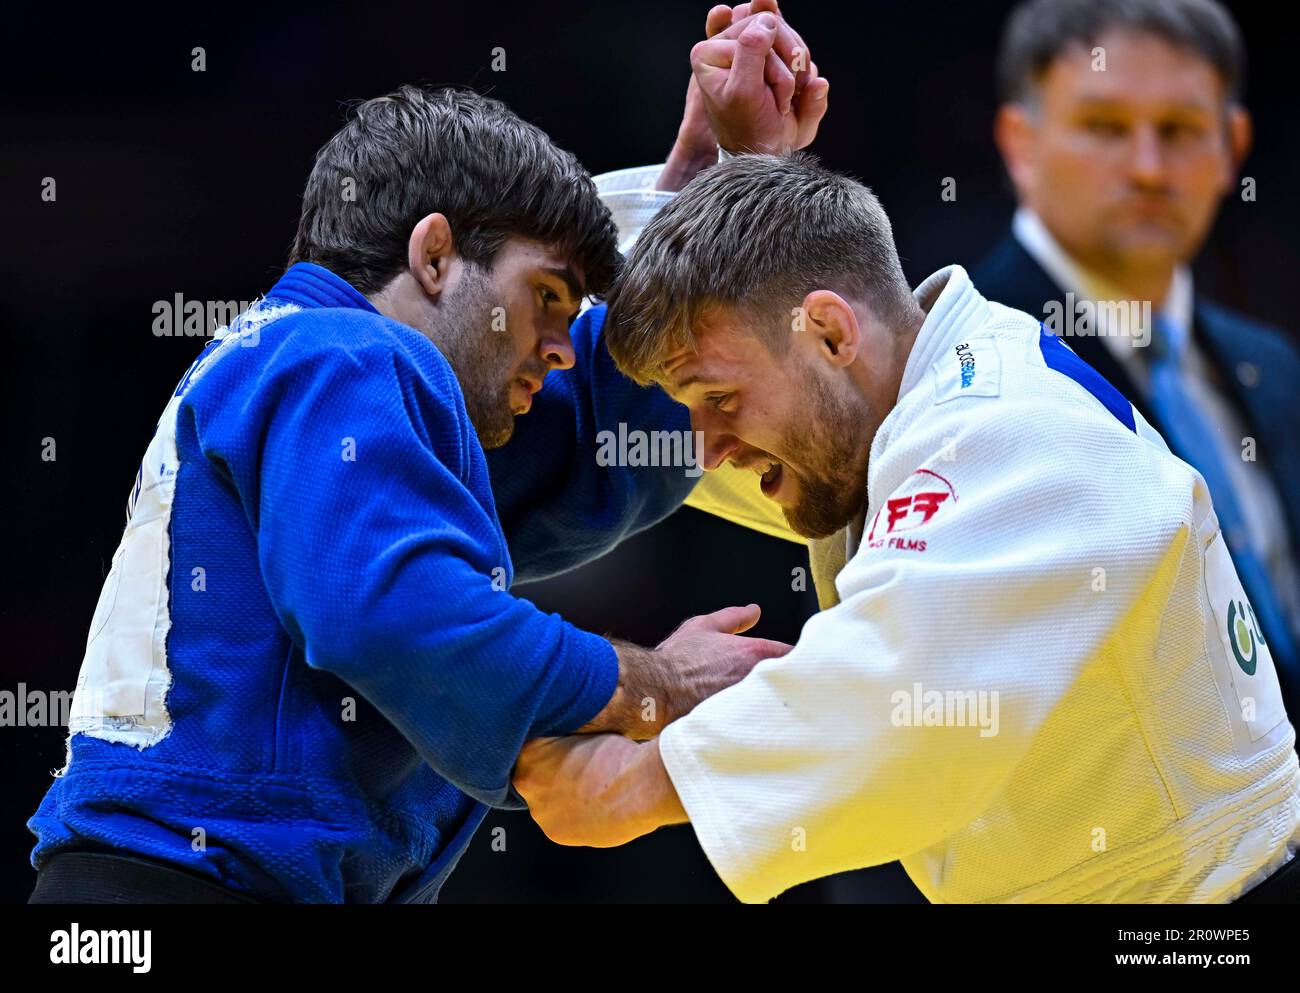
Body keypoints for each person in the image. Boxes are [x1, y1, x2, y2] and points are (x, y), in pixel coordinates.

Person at [26, 6, 822, 904]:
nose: (561, 348)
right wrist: (661, 682)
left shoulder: (300, 365)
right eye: (548, 296)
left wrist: (712, 192)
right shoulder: (346, 354)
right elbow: (398, 614)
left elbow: (590, 435)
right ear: (435, 255)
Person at [512, 153, 1300, 904]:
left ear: (828, 332)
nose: (706, 446)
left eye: (717, 397)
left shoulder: (1000, 426)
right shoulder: (912, 396)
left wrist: (634, 785)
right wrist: (685, 177)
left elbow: (897, 693)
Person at [972, 0, 1300, 715]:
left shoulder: (1273, 368)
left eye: (1180, 131)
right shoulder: (963, 366)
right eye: (1105, 127)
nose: (1149, 168)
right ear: (1019, 144)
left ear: (1232, 148)